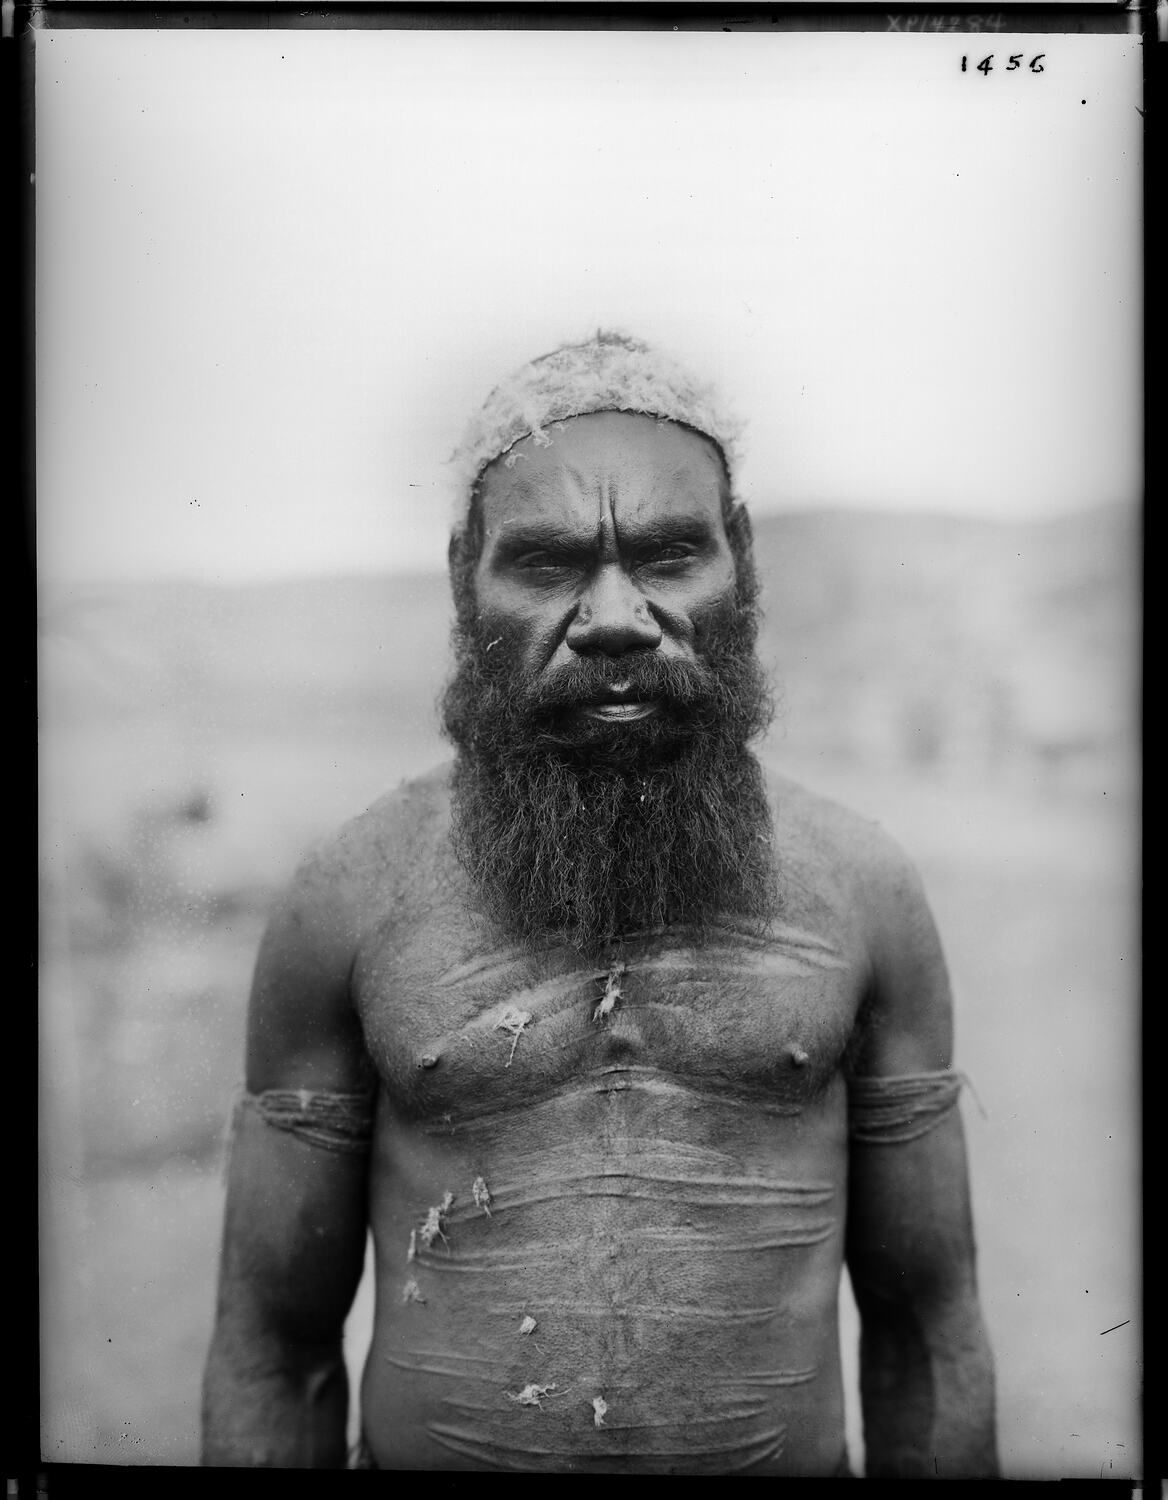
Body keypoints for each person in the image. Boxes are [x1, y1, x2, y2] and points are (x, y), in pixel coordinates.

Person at [201, 331, 998, 1475]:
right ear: (462, 580)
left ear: (744, 567)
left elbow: (928, 1335)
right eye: (544, 563)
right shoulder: (348, 898)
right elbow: (275, 1351)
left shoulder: (861, 890)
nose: (614, 614)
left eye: (671, 554)